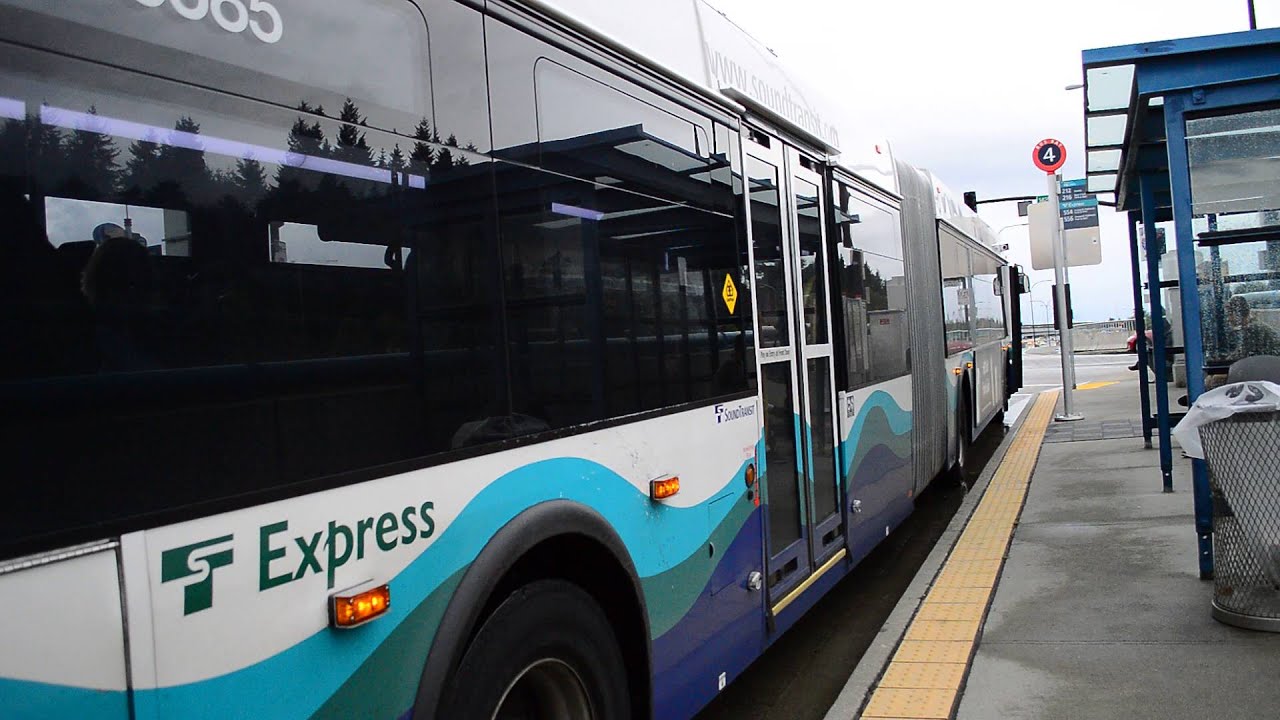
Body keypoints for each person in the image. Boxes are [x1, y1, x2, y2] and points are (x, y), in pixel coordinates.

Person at [1225, 295, 1280, 361]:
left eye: (1230, 314)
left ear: (1238, 313)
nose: (1228, 319)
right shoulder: (1254, 325)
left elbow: (1240, 356)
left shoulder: (1252, 329)